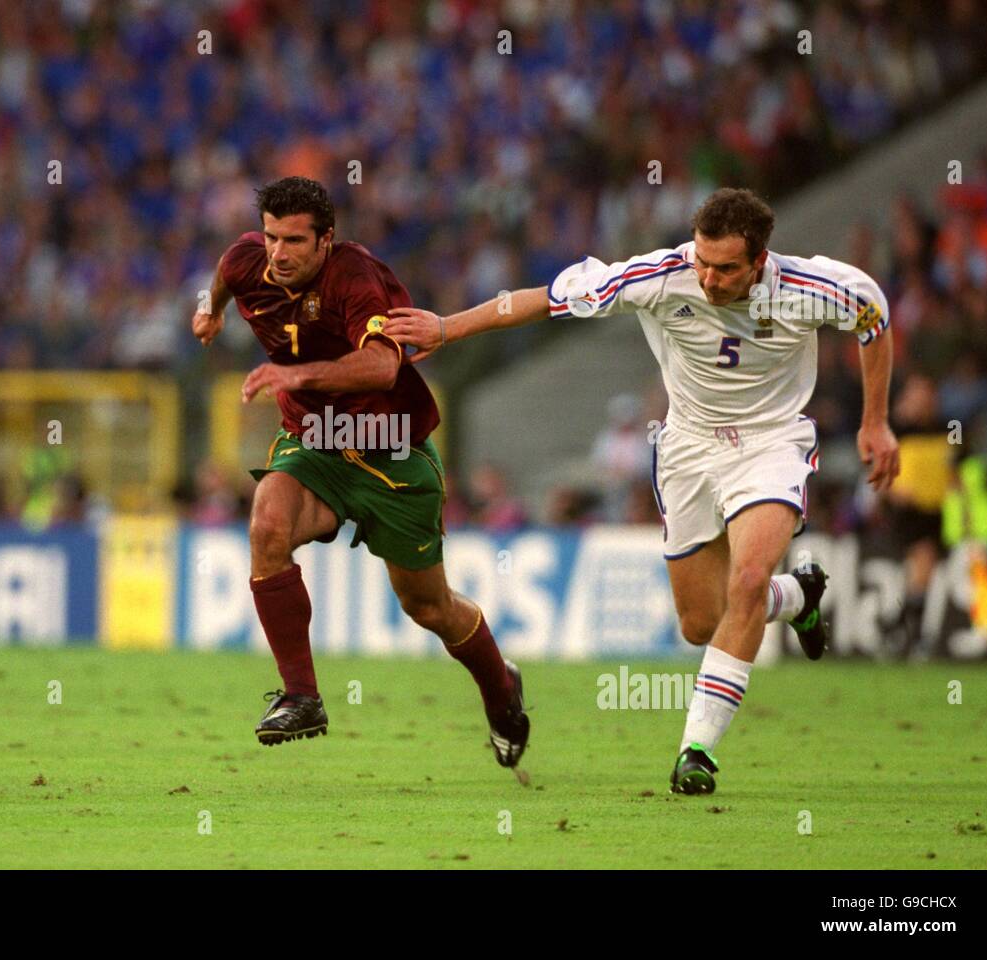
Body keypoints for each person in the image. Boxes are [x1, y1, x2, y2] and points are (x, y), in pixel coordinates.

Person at [384, 187, 901, 794]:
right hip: (687, 448)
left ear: (760, 260)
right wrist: (447, 327)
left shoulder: (811, 288)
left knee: (748, 579)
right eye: (703, 262)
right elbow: (543, 300)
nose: (707, 278)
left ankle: (696, 752)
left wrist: (874, 420)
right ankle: (799, 597)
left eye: (726, 268)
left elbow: (873, 316)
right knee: (701, 623)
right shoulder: (661, 275)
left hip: (770, 444)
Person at [191, 177, 529, 769]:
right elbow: (226, 274)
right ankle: (301, 696)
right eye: (272, 237)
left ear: (327, 240)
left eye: (295, 240)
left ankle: (501, 692)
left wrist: (299, 377)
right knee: (267, 521)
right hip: (314, 444)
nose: (280, 253)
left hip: (390, 448)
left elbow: (378, 367)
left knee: (428, 608)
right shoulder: (247, 261)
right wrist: (209, 310)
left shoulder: (355, 277)